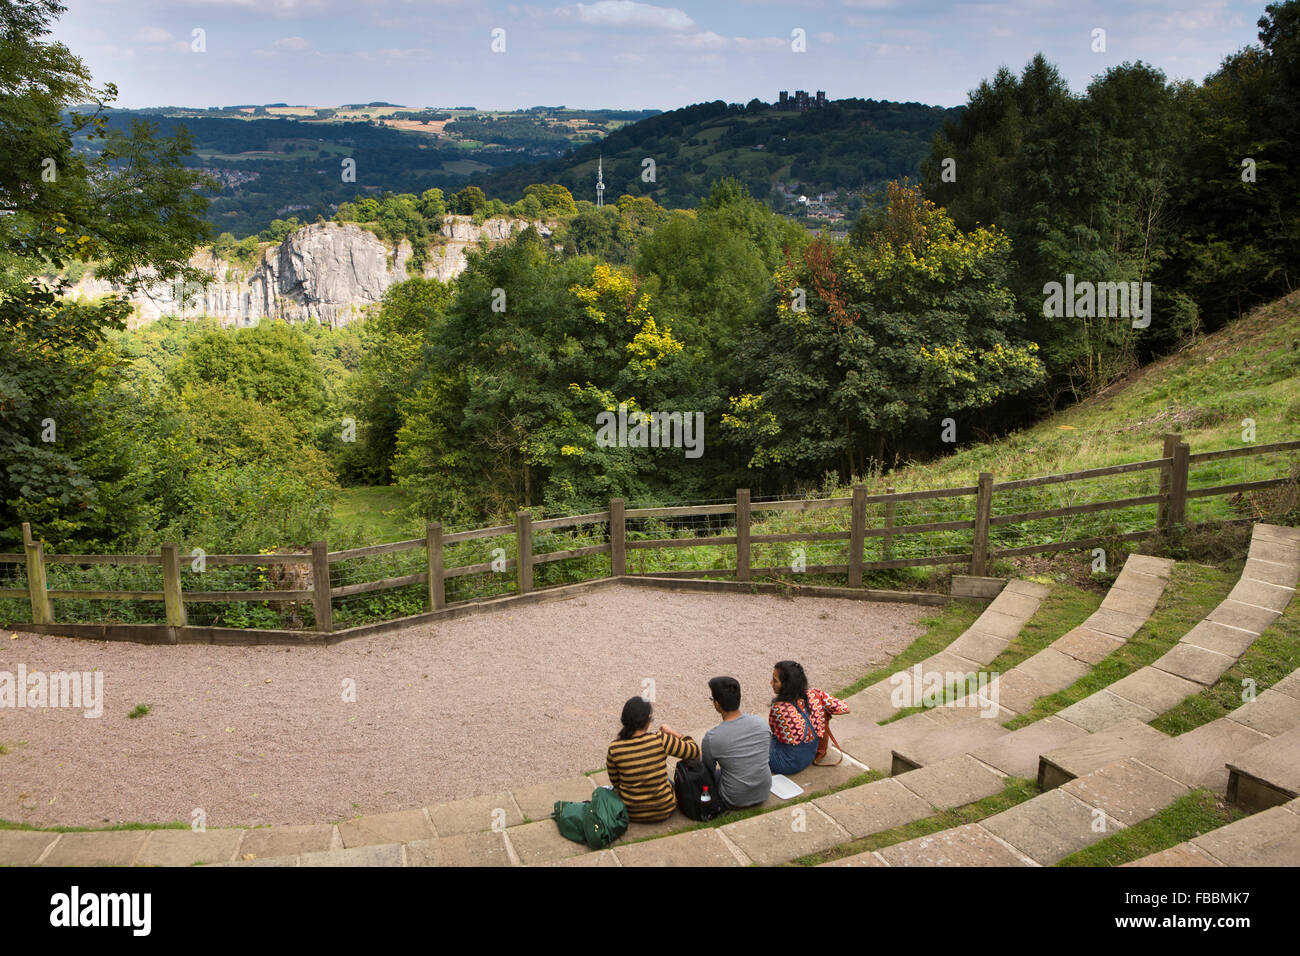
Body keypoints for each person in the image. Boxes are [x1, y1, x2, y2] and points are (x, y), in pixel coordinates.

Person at [605, 696, 701, 822]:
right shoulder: (660, 740)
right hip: (664, 808)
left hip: (631, 812)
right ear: (648, 718)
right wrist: (673, 733)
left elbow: (616, 783)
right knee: (666, 779)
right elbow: (694, 752)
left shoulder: (614, 748)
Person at [701, 676, 772, 810]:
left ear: (717, 704)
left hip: (734, 799)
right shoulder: (761, 723)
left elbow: (707, 771)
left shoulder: (712, 738)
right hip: (763, 791)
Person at [767, 660, 849, 775]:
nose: (771, 683)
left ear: (786, 685)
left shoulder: (780, 709)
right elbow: (844, 708)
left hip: (786, 764)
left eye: (775, 680)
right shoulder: (815, 694)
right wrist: (821, 714)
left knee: (755, 741)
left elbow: (776, 733)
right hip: (810, 756)